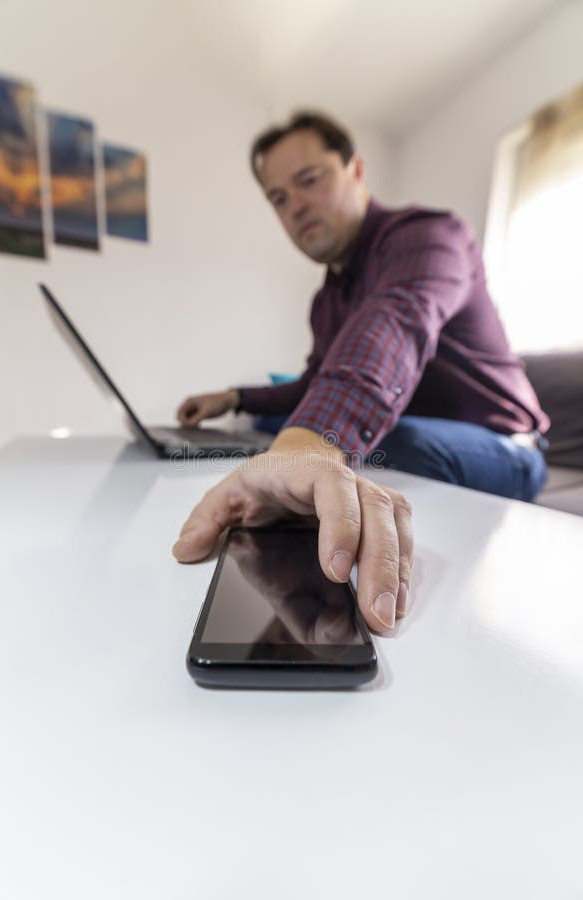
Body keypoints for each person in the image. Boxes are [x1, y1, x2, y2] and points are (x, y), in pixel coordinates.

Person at [172, 110, 549, 633]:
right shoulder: (326, 300)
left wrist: (301, 450)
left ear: (356, 170)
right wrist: (234, 398)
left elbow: (392, 324)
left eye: (309, 180)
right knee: (284, 431)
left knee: (376, 442)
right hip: (411, 432)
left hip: (505, 447)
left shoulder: (429, 237)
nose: (295, 204)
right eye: (278, 198)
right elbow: (311, 384)